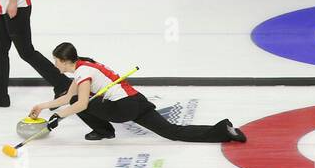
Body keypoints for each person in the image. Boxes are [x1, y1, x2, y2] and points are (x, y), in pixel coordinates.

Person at [28, 43, 247, 144]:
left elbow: (81, 103)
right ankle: (224, 131)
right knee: (172, 132)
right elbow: (67, 97)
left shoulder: (83, 72)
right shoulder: (84, 66)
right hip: (136, 101)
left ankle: (104, 131)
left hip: (123, 108)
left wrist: (59, 116)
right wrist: (43, 106)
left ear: (65, 61)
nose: (55, 64)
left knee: (80, 101)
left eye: (56, 61)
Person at [0, 0, 68, 108]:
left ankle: (63, 85)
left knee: (26, 52)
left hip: (17, 7)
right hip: (2, 8)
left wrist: (13, 1)